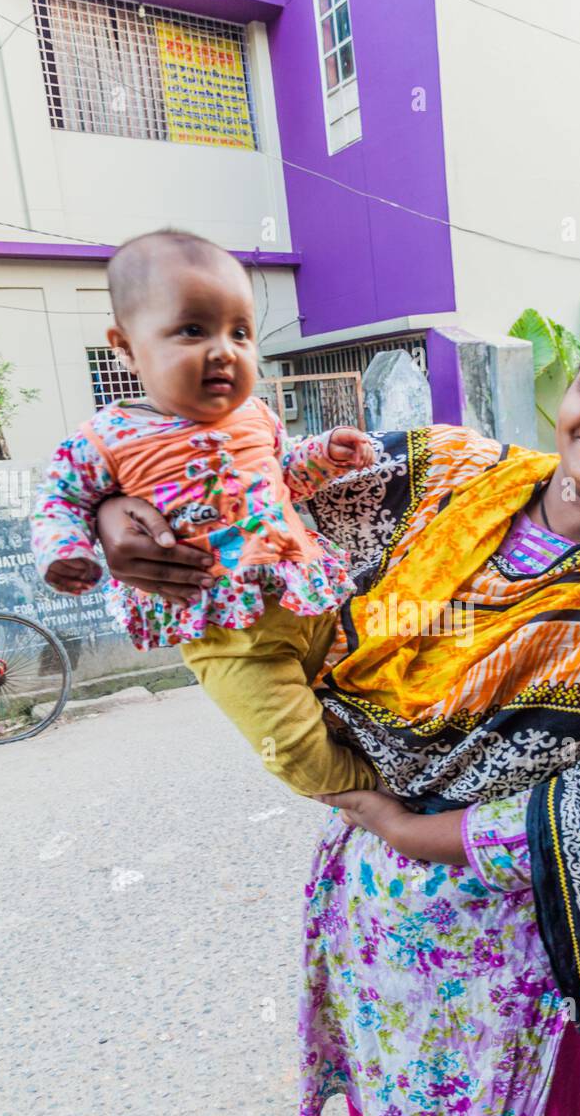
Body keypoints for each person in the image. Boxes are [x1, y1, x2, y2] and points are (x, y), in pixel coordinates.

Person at [95, 300, 580, 1116]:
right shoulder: (451, 473)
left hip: (518, 968)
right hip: (376, 937)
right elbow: (242, 495)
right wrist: (121, 511)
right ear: (566, 387)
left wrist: (406, 830)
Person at [30, 228, 377, 797]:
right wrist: (66, 551)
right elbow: (60, 501)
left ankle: (409, 771)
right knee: (292, 746)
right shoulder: (107, 437)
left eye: (239, 331)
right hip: (227, 634)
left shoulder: (256, 414)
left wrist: (326, 453)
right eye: (193, 330)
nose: (224, 349)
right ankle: (371, 798)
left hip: (316, 600)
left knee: (373, 695)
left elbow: (284, 474)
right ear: (125, 345)